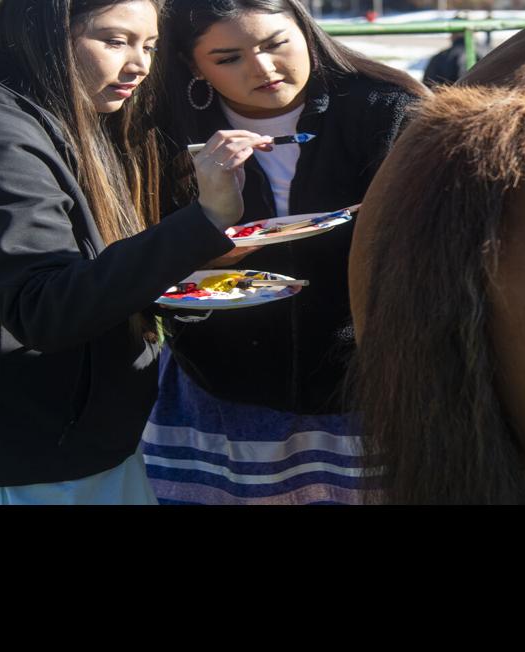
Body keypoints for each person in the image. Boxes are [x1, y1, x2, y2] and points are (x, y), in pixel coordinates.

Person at [0, 0, 270, 504]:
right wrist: (204, 220)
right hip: (6, 461)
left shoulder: (51, 115)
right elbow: (43, 307)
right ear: (44, 30)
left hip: (63, 443)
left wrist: (191, 252)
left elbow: (81, 269)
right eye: (115, 40)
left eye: (149, 46)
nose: (139, 64)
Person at [143, 0, 424, 504]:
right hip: (218, 377)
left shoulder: (385, 108)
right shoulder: (161, 127)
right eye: (228, 58)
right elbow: (139, 251)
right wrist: (208, 237)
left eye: (277, 44)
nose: (263, 68)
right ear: (192, 65)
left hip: (364, 379)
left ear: (306, 31)